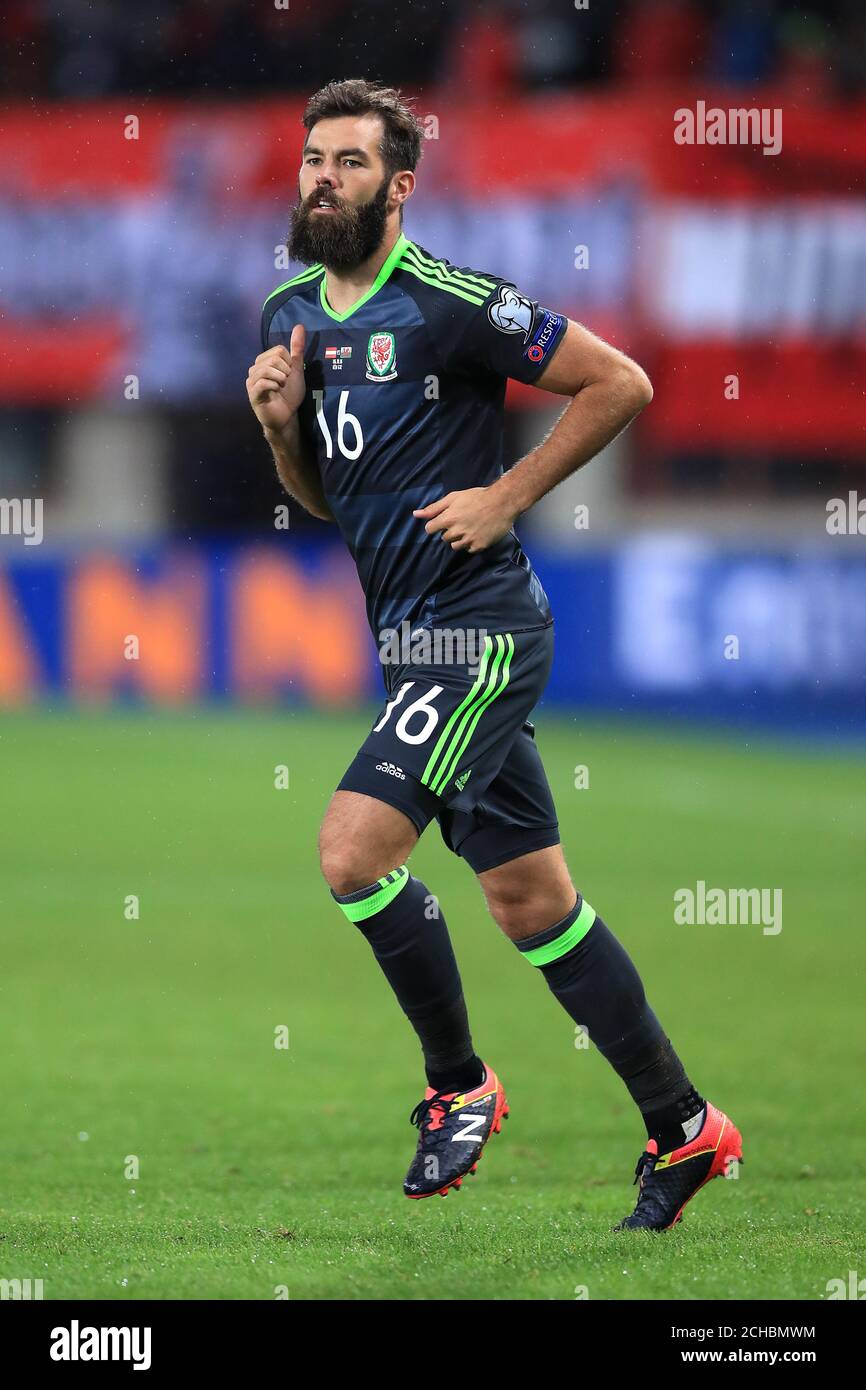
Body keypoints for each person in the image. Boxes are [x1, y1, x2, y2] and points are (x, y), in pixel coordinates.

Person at [247, 78, 743, 1229]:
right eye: (314, 159)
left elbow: (618, 381)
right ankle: (686, 1130)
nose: (324, 177)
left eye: (352, 163)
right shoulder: (287, 315)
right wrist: (280, 432)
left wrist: (503, 493)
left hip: (476, 633)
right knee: (531, 903)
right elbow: (328, 501)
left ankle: (456, 1085)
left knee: (351, 853)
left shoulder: (449, 303)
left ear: (399, 186)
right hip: (409, 640)